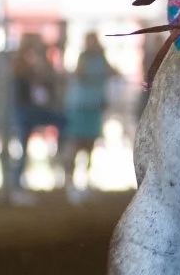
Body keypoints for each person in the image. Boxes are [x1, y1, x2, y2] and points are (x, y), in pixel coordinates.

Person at [8, 33, 65, 195]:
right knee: (22, 149)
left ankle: (59, 159)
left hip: (29, 110)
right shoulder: (22, 63)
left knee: (61, 122)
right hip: (25, 111)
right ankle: (16, 186)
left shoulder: (30, 62)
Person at [62, 31, 115, 201]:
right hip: (80, 107)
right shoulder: (83, 58)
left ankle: (85, 182)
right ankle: (70, 183)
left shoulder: (101, 58)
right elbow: (81, 73)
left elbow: (112, 72)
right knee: (76, 144)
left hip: (94, 107)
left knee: (90, 146)